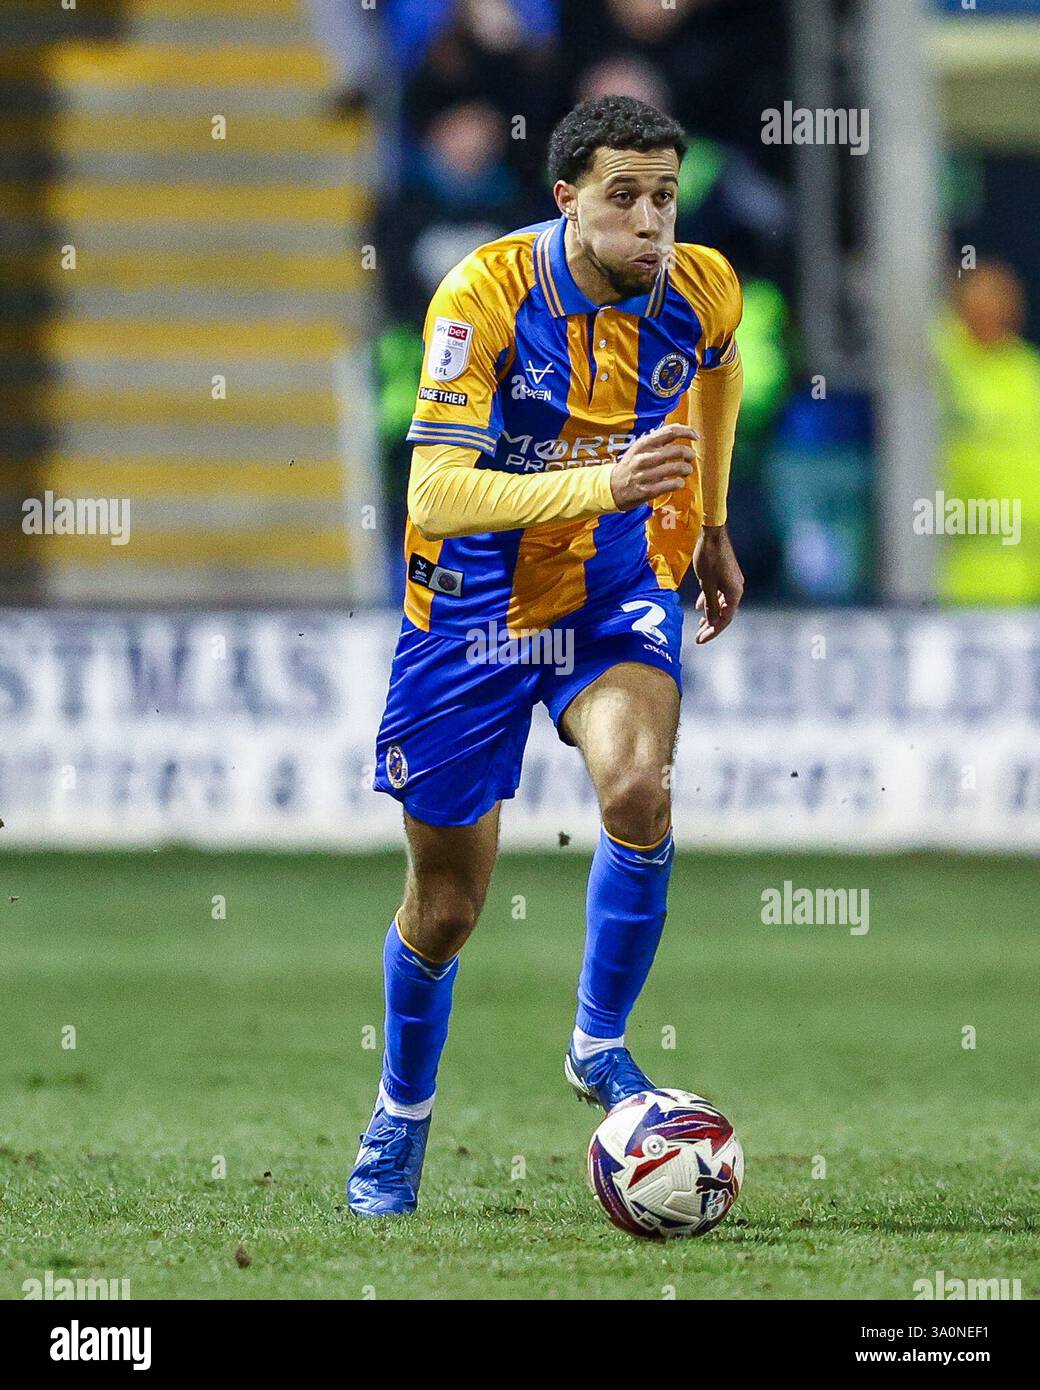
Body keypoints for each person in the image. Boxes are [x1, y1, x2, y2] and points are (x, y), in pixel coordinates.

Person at [349, 95, 745, 1216]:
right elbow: (434, 489)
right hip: (467, 612)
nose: (650, 222)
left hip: (614, 588)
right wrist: (606, 481)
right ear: (565, 200)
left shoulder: (698, 287)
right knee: (447, 905)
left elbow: (720, 363)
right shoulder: (484, 294)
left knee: (635, 782)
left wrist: (708, 522)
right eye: (623, 197)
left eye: (663, 197)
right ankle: (400, 1119)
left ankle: (596, 1044)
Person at [934, 259, 1040, 604]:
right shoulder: (943, 360)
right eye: (978, 298)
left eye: (999, 299)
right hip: (964, 563)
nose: (990, 310)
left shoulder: (1026, 370)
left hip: (1028, 563)